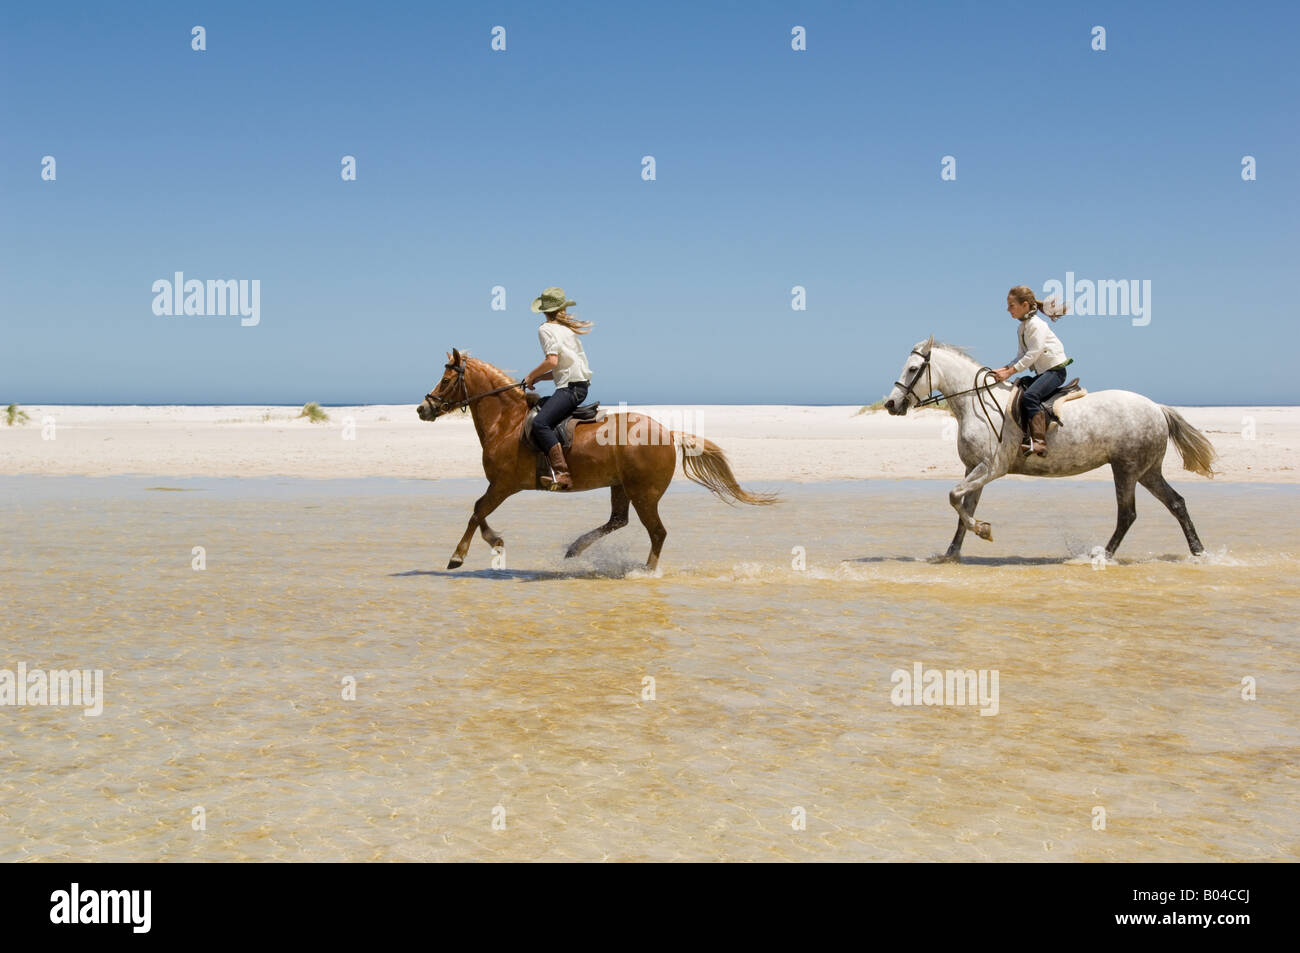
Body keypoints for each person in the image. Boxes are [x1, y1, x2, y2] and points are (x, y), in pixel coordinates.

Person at [522, 287, 594, 490]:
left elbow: (552, 361)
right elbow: (560, 367)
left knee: (540, 423)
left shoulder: (545, 329)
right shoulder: (566, 330)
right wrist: (539, 378)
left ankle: (562, 472)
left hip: (569, 390)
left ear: (544, 310)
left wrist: (531, 375)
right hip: (578, 386)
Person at [991, 286, 1071, 456]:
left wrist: (1010, 372)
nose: (1008, 310)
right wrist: (1004, 368)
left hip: (1055, 371)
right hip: (1044, 372)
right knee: (1020, 388)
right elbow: (1021, 355)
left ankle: (1040, 442)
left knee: (1030, 396)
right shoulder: (1022, 328)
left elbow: (1033, 354)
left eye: (1011, 305)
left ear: (1025, 305)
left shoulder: (1036, 325)